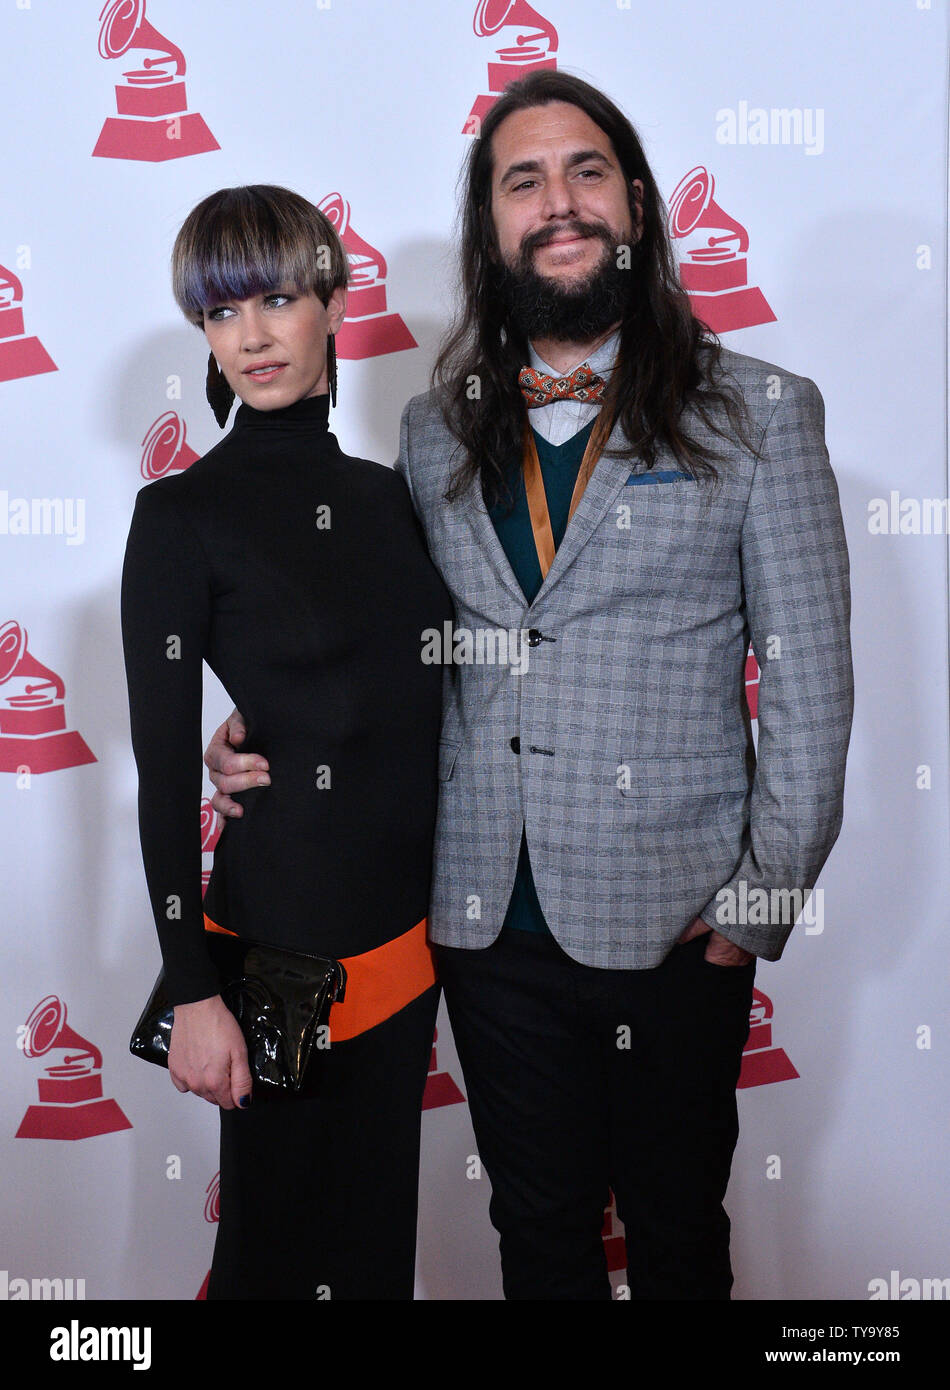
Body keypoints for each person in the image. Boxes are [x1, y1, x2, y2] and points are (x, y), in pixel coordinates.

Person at [207, 73, 853, 1300]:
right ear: (491, 228)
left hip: (674, 919)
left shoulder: (762, 412)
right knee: (537, 1232)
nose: (557, 204)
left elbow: (813, 680)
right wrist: (268, 721)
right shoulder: (434, 426)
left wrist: (753, 908)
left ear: (638, 206)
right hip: (478, 917)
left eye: (585, 172)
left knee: (671, 1235)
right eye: (522, 182)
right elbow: (395, 640)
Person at [121, 185, 452, 1300]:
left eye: (274, 297)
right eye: (221, 312)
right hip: (272, 972)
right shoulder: (178, 517)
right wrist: (190, 992)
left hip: (409, 964)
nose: (252, 335)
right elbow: (164, 781)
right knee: (270, 1266)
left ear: (331, 299)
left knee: (372, 1271)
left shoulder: (392, 497)